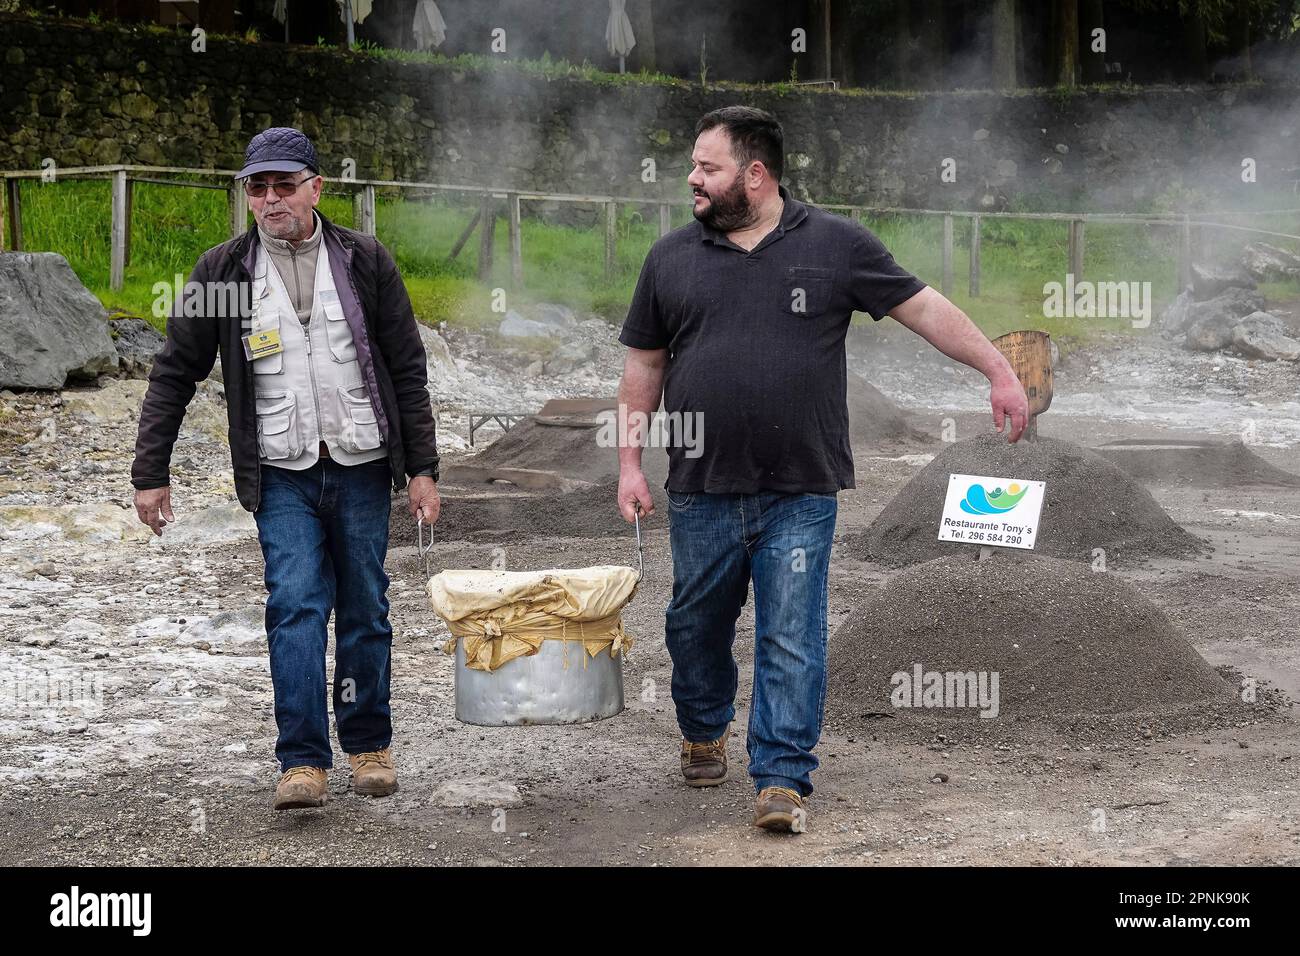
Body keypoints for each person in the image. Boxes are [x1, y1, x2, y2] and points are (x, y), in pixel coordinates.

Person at [615, 106, 1028, 833]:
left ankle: (780, 778)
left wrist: (997, 368)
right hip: (700, 490)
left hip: (800, 489)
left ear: (755, 173)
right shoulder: (670, 258)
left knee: (791, 634)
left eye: (707, 168)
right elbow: (644, 366)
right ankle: (704, 725)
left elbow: (925, 309)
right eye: (693, 167)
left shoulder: (836, 245)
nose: (692, 179)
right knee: (695, 627)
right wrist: (628, 463)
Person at [131, 127, 442, 810]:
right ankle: (303, 762)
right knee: (295, 606)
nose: (270, 198)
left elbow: (406, 368)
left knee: (365, 607)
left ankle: (367, 747)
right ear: (247, 195)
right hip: (280, 474)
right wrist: (150, 471)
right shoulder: (222, 274)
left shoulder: (364, 260)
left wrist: (422, 468)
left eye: (283, 185)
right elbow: (174, 372)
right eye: (258, 187)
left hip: (362, 465)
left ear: (315, 188)